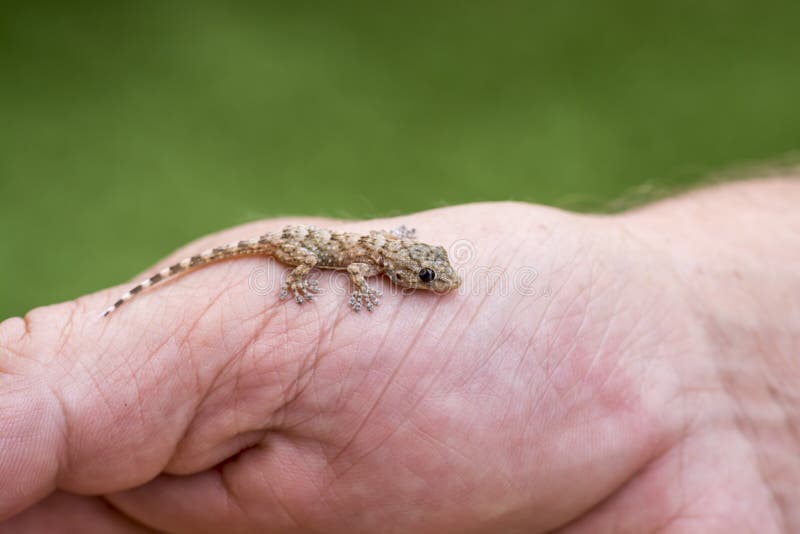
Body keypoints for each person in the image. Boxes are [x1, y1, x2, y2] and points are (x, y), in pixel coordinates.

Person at [0, 178, 797, 533]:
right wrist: (327, 289)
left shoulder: (387, 255)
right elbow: (347, 261)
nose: (432, 284)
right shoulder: (364, 263)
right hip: (296, 250)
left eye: (430, 275)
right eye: (427, 277)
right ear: (399, 269)